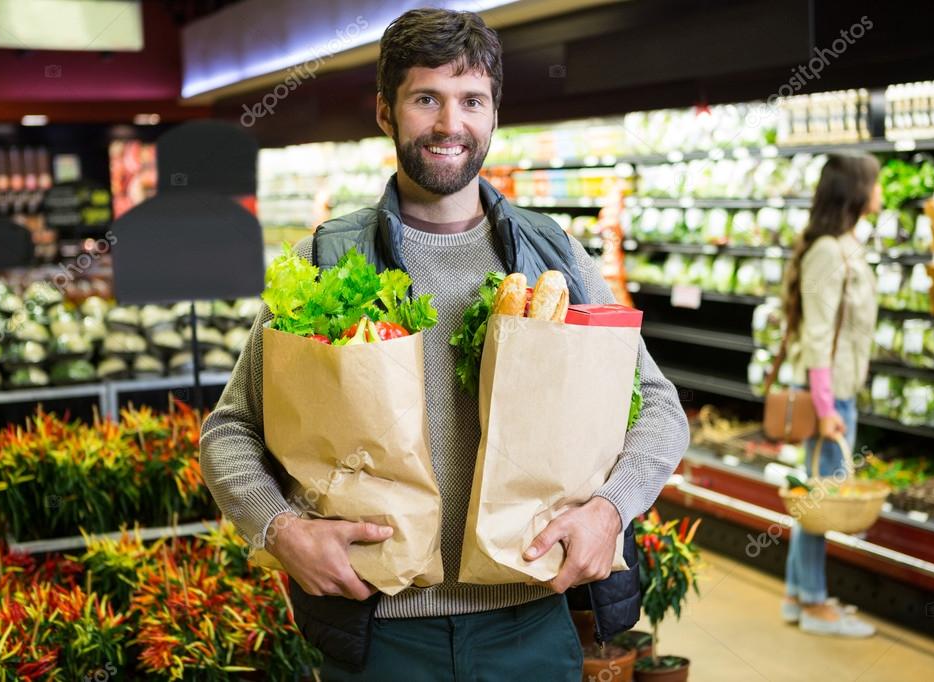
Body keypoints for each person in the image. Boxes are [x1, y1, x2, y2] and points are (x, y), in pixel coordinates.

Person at [199, 8, 690, 680]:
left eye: (471, 101)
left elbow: (660, 410)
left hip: (532, 625)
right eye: (425, 98)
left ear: (492, 115)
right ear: (384, 112)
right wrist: (282, 532)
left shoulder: (557, 258)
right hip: (382, 637)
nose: (449, 124)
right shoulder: (328, 258)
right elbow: (229, 430)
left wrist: (612, 508)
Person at [780, 153, 881, 637]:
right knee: (820, 502)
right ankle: (815, 604)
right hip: (829, 398)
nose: (880, 193)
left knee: (814, 500)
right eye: (875, 183)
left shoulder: (845, 246)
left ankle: (800, 596)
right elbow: (818, 336)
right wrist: (825, 409)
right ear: (857, 192)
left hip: (838, 394)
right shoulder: (829, 251)